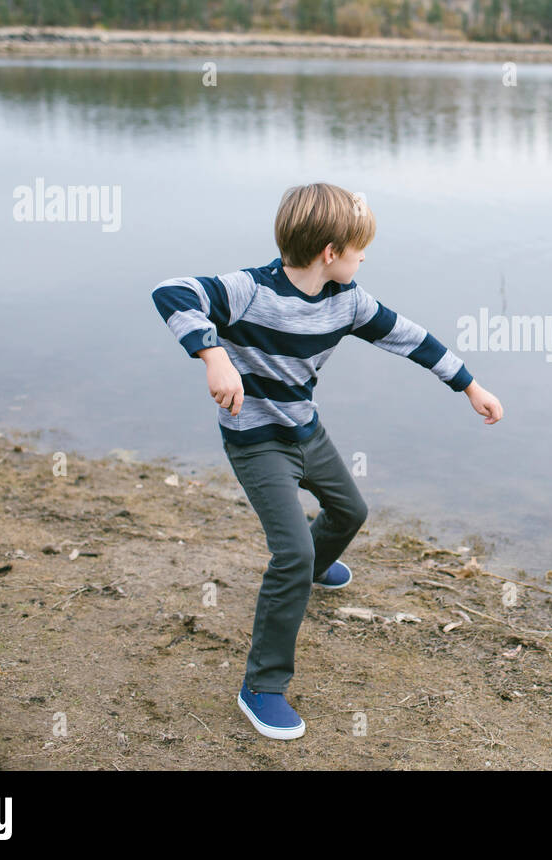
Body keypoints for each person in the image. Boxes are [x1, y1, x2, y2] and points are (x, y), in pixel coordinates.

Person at [152, 182, 503, 739]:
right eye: (361, 248)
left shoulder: (348, 300)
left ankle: (311, 571)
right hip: (256, 439)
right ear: (330, 252)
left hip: (305, 431)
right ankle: (261, 686)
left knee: (350, 511)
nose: (366, 258)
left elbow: (412, 339)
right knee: (288, 553)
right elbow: (171, 291)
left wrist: (469, 386)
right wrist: (213, 354)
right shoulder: (249, 291)